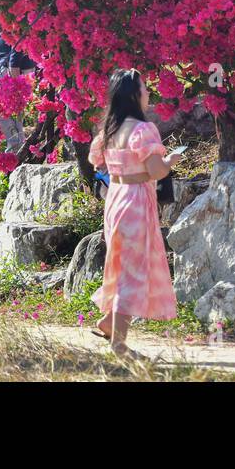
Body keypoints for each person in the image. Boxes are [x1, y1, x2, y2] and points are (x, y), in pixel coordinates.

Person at [87, 68, 182, 359]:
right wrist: (171, 160)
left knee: (119, 264)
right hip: (136, 201)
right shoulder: (143, 130)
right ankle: (119, 345)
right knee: (132, 271)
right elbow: (155, 170)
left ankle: (108, 322)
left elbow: (96, 164)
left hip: (115, 199)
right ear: (133, 94)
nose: (148, 93)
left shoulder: (109, 131)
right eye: (144, 88)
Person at [0, 32, 36, 159]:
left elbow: (19, 40)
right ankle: (17, 151)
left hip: (10, 70)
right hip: (14, 69)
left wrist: (14, 71)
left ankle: (15, 149)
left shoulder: (14, 20)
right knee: (13, 112)